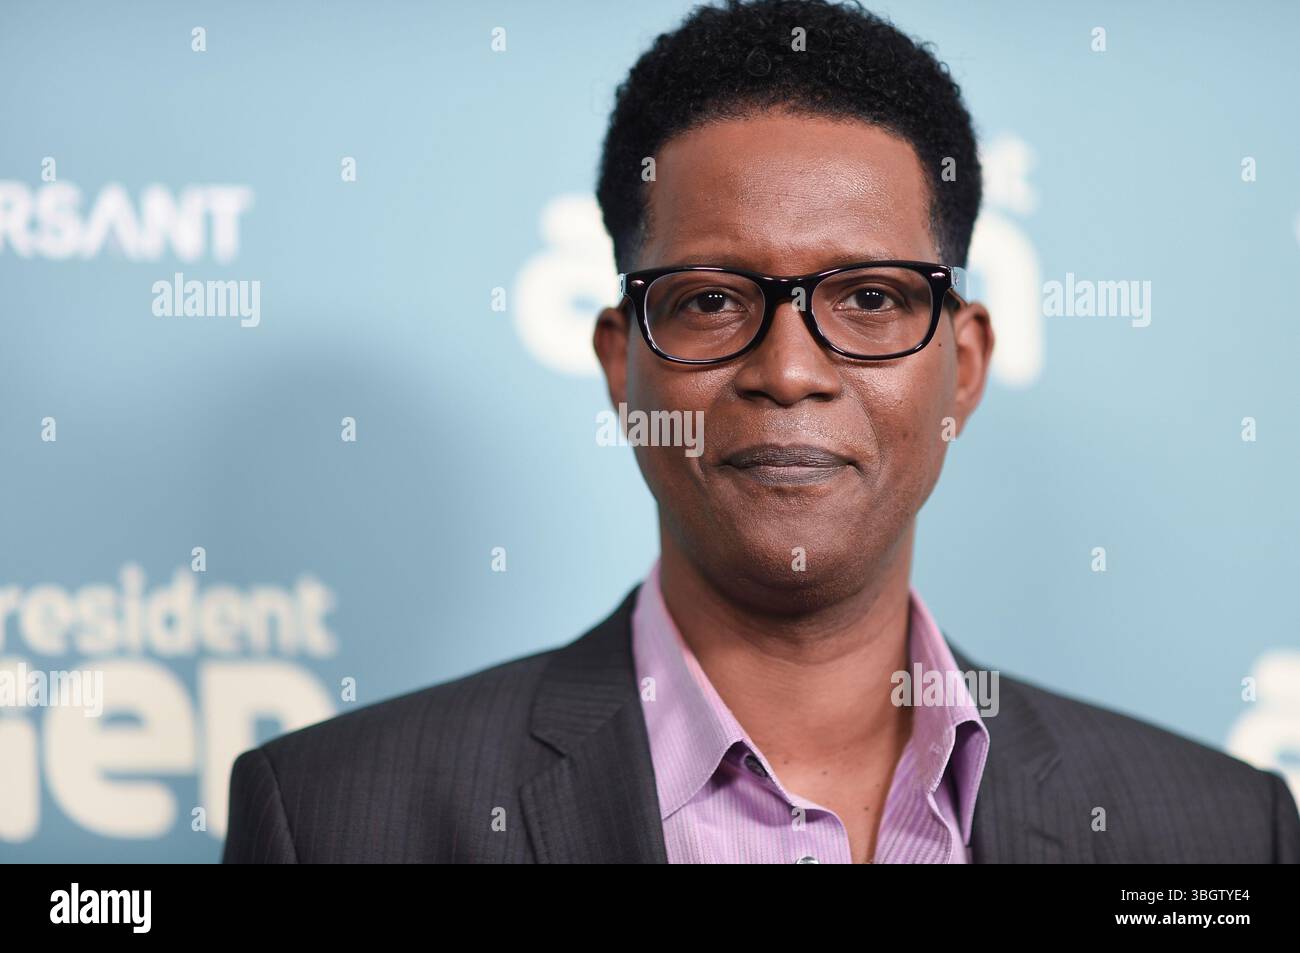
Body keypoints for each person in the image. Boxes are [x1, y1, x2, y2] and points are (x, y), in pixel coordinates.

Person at [223, 0, 1300, 863]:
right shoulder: (333, 821)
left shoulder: (1214, 832)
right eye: (709, 300)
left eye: (870, 299)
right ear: (618, 360)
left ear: (961, 367)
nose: (787, 369)